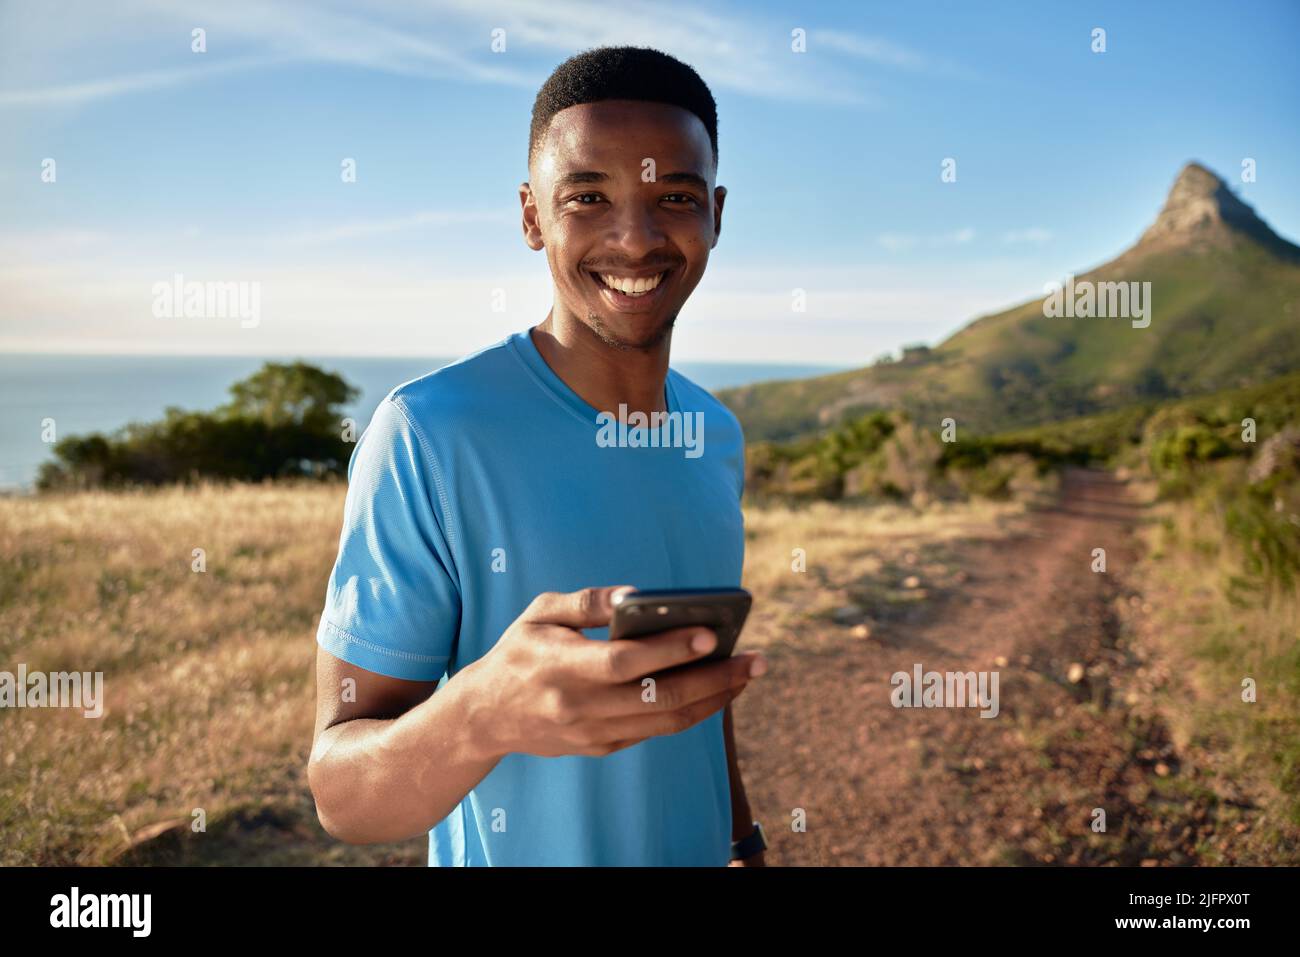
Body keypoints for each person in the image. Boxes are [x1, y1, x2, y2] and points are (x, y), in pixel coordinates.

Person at [308, 45, 767, 866]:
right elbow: (341, 795)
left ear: (716, 215)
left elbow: (693, 677)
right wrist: (482, 711)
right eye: (588, 196)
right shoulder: (428, 431)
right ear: (531, 216)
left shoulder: (714, 433)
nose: (636, 237)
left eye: (675, 197)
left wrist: (741, 837)